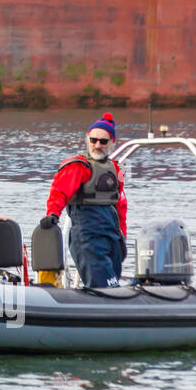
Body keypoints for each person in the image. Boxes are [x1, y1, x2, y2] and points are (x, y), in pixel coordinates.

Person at [40, 113, 128, 288]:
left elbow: (120, 206)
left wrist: (122, 236)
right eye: (94, 140)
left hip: (111, 236)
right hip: (88, 235)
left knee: (113, 284)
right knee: (104, 287)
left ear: (112, 143)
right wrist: (53, 214)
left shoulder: (114, 168)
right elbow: (59, 191)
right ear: (87, 140)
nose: (97, 145)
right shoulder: (78, 166)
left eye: (103, 141)